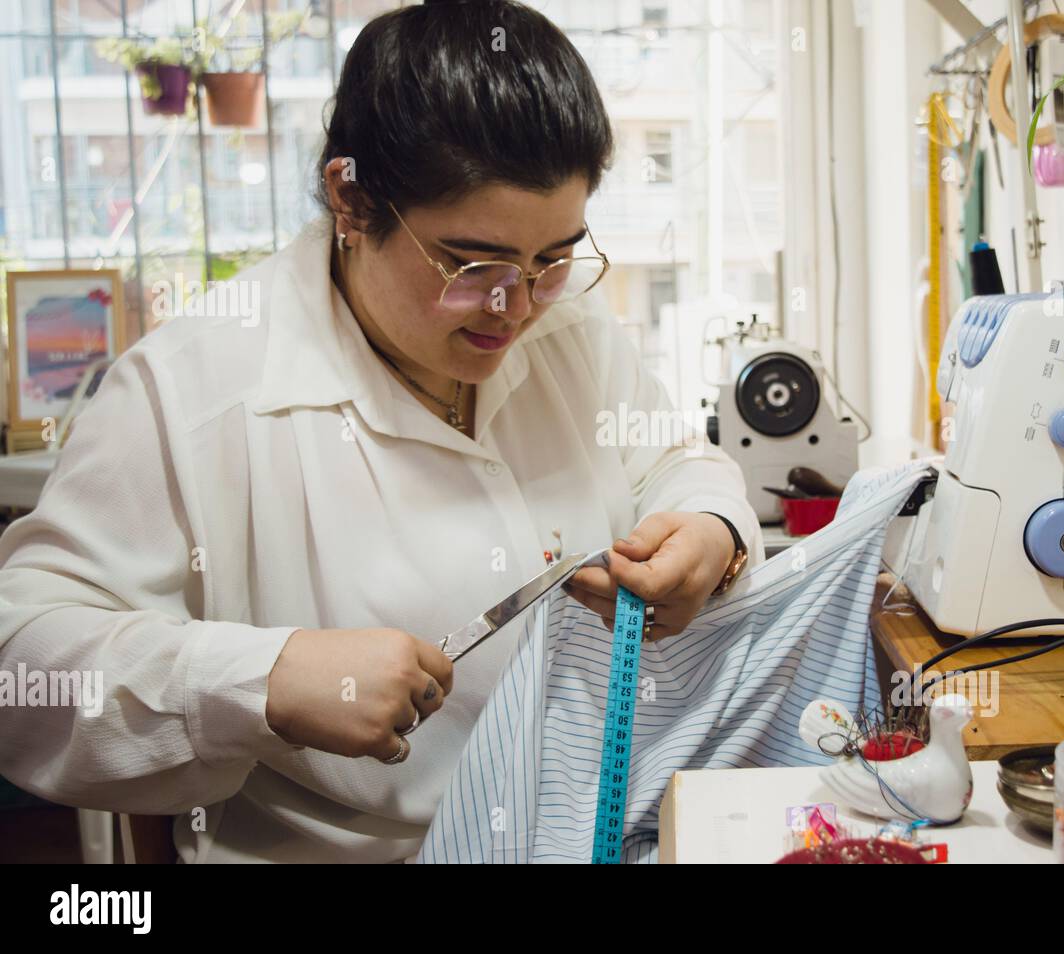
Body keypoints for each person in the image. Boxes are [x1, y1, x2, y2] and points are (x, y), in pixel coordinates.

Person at [0, 0, 760, 863]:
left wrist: (711, 526)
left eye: (550, 258)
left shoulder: (567, 327)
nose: (513, 307)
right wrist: (263, 680)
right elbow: (23, 668)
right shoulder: (190, 391)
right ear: (351, 200)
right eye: (470, 262)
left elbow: (675, 458)